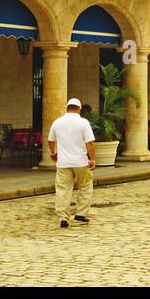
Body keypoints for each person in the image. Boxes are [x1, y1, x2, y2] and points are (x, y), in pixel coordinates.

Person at [48, 98, 96, 228]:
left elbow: (51, 141)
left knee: (63, 189)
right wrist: (92, 159)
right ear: (79, 109)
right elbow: (90, 142)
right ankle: (81, 213)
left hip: (63, 163)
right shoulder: (83, 122)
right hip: (80, 161)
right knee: (85, 186)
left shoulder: (57, 122)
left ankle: (63, 218)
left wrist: (53, 153)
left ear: (67, 108)